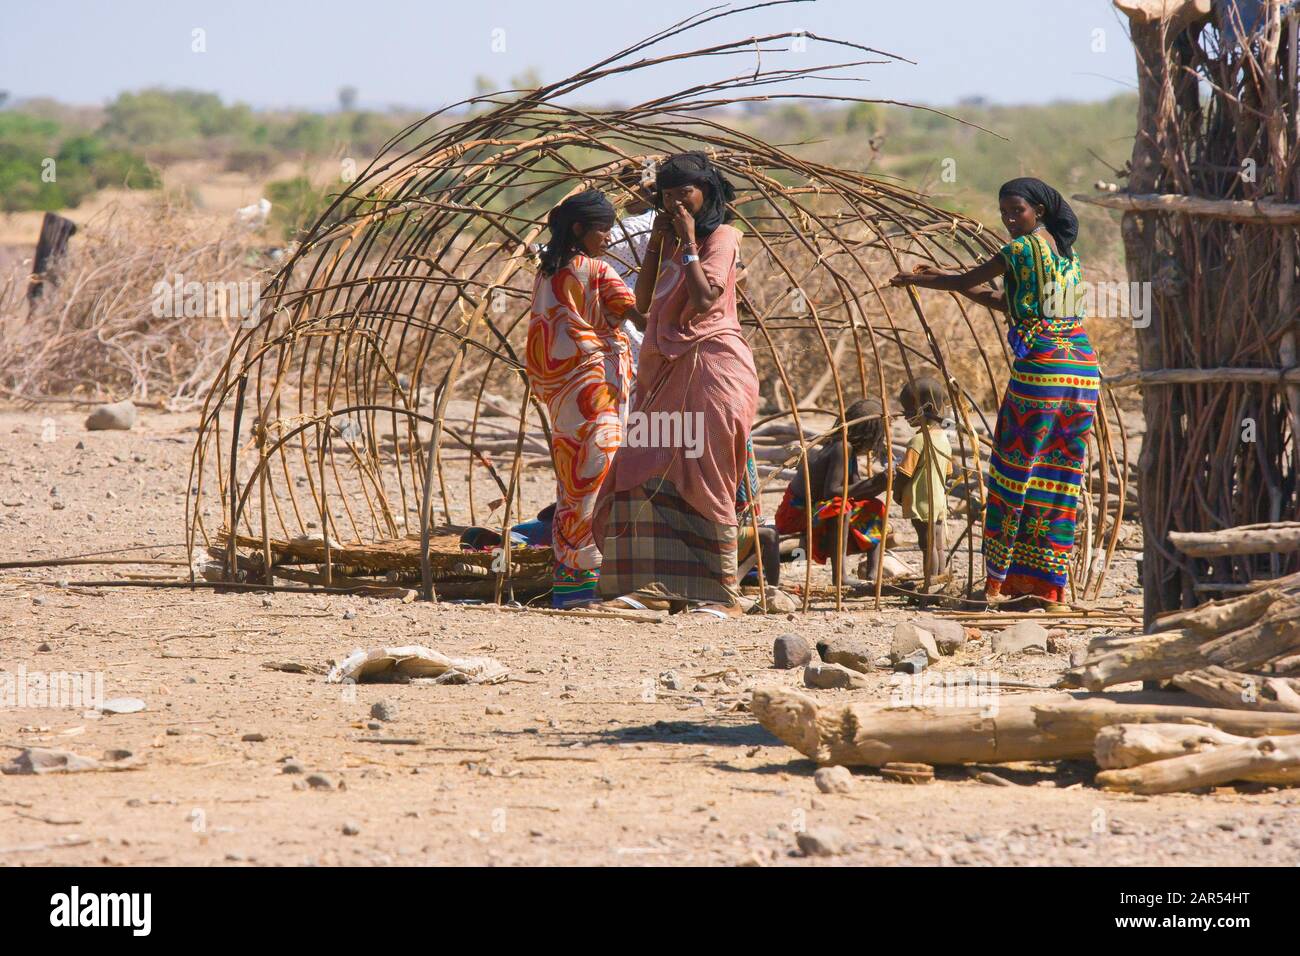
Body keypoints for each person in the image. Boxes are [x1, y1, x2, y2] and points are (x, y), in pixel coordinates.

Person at [889, 177, 1100, 610]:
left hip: (1043, 370)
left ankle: (997, 586)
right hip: (1081, 371)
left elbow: (968, 278)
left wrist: (919, 279)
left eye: (1015, 212)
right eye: (1004, 212)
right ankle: (1046, 585)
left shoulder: (1021, 250)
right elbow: (1003, 300)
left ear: (1037, 210)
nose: (1008, 220)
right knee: (1059, 475)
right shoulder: (1067, 254)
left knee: (1012, 471)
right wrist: (943, 278)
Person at [592, 151, 760, 618]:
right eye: (666, 194)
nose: (675, 201)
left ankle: (717, 592)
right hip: (665, 370)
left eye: (683, 191)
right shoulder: (671, 244)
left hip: (712, 370)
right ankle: (644, 584)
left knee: (703, 472)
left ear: (706, 190)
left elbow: (706, 298)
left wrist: (687, 241)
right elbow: (641, 303)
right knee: (642, 463)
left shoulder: (723, 237)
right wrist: (659, 245)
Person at [525, 189, 644, 608]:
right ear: (579, 230)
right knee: (598, 477)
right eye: (602, 230)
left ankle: (570, 580)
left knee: (572, 477)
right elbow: (640, 313)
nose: (608, 238)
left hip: (563, 392)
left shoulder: (546, 270)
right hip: (597, 390)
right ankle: (590, 582)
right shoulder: (596, 270)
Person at [774, 399, 888, 589]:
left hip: (815, 510)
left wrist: (879, 484)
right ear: (869, 433)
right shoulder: (842, 447)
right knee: (840, 507)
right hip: (796, 515)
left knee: (875, 506)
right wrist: (874, 482)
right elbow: (832, 492)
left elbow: (855, 488)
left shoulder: (844, 448)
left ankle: (872, 575)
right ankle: (840, 576)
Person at [603, 167, 656, 406]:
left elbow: (593, 247)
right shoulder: (663, 220)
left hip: (633, 321)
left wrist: (538, 251)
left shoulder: (637, 225)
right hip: (655, 323)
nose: (624, 197)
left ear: (648, 189)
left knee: (633, 393)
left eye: (629, 187)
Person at [894, 377, 953, 585]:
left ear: (924, 408)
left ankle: (929, 584)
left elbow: (905, 473)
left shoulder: (918, 440)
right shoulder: (944, 439)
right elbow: (948, 471)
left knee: (926, 545)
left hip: (922, 502)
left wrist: (896, 492)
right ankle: (940, 580)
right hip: (938, 502)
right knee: (938, 545)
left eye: (909, 411)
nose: (906, 416)